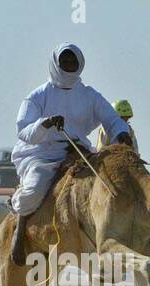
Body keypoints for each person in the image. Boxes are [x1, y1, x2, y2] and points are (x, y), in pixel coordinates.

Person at [9, 43, 132, 266]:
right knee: (35, 187)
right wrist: (44, 124)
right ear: (56, 63)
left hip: (77, 151)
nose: (68, 65)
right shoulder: (37, 96)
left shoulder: (89, 95)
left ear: (80, 64)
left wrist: (121, 134)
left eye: (72, 61)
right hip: (41, 153)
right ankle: (20, 226)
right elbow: (24, 131)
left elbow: (113, 119)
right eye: (64, 61)